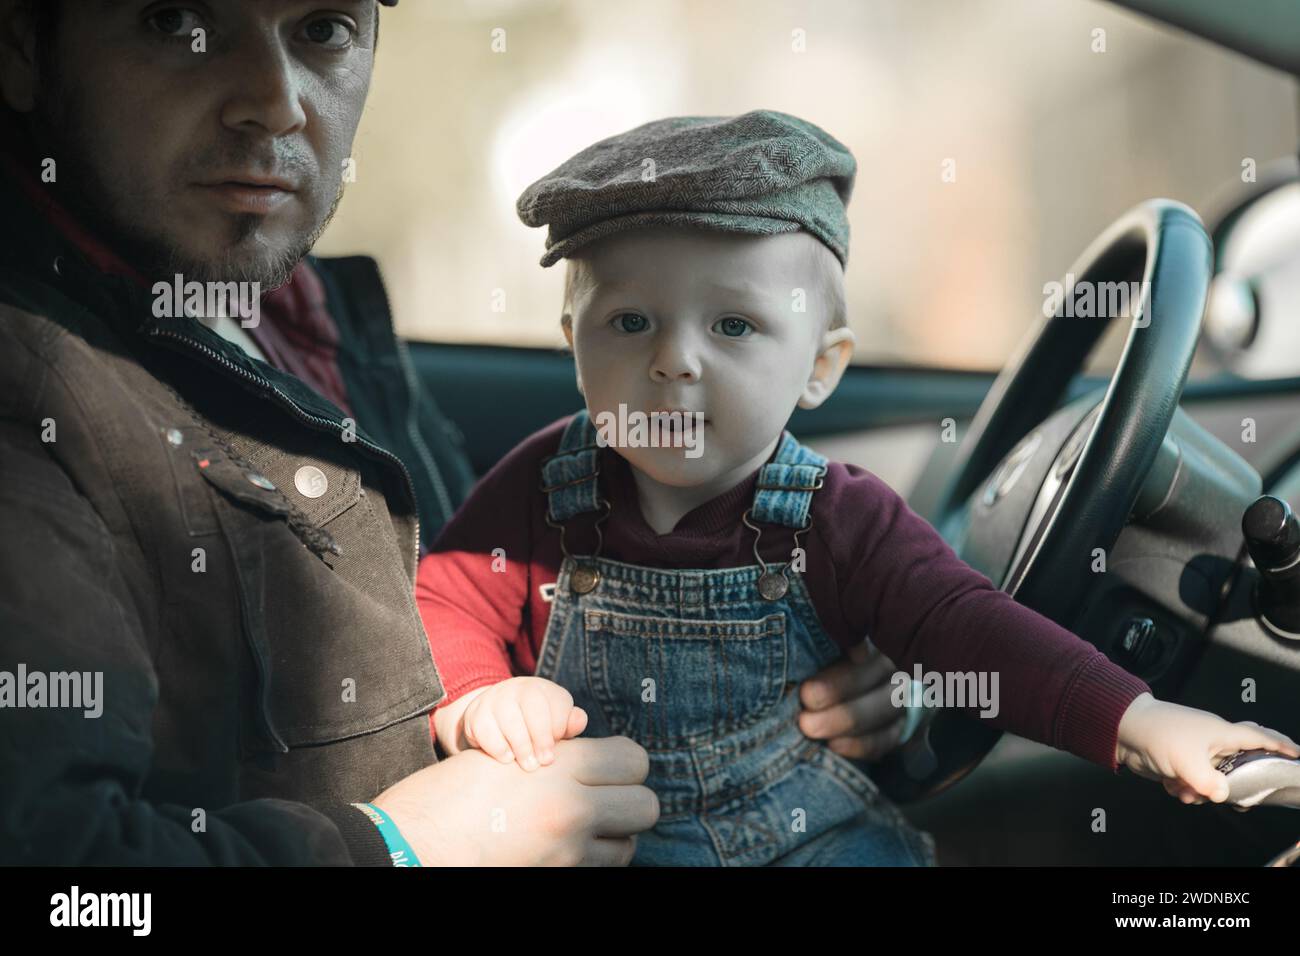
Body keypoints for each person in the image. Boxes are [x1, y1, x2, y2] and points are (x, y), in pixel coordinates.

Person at [0, 0, 905, 866]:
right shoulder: (32, 391)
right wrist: (400, 850)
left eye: (322, 28)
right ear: (24, 47)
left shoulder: (309, 321)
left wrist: (802, 676)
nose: (274, 100)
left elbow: (496, 600)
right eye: (178, 21)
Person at [415, 109, 1300, 866]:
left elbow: (972, 632)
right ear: (572, 338)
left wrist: (1140, 725)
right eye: (629, 320)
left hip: (810, 838)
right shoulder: (545, 486)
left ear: (821, 368)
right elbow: (446, 593)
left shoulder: (838, 515)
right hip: (598, 835)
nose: (673, 360)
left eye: (733, 325)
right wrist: (476, 696)